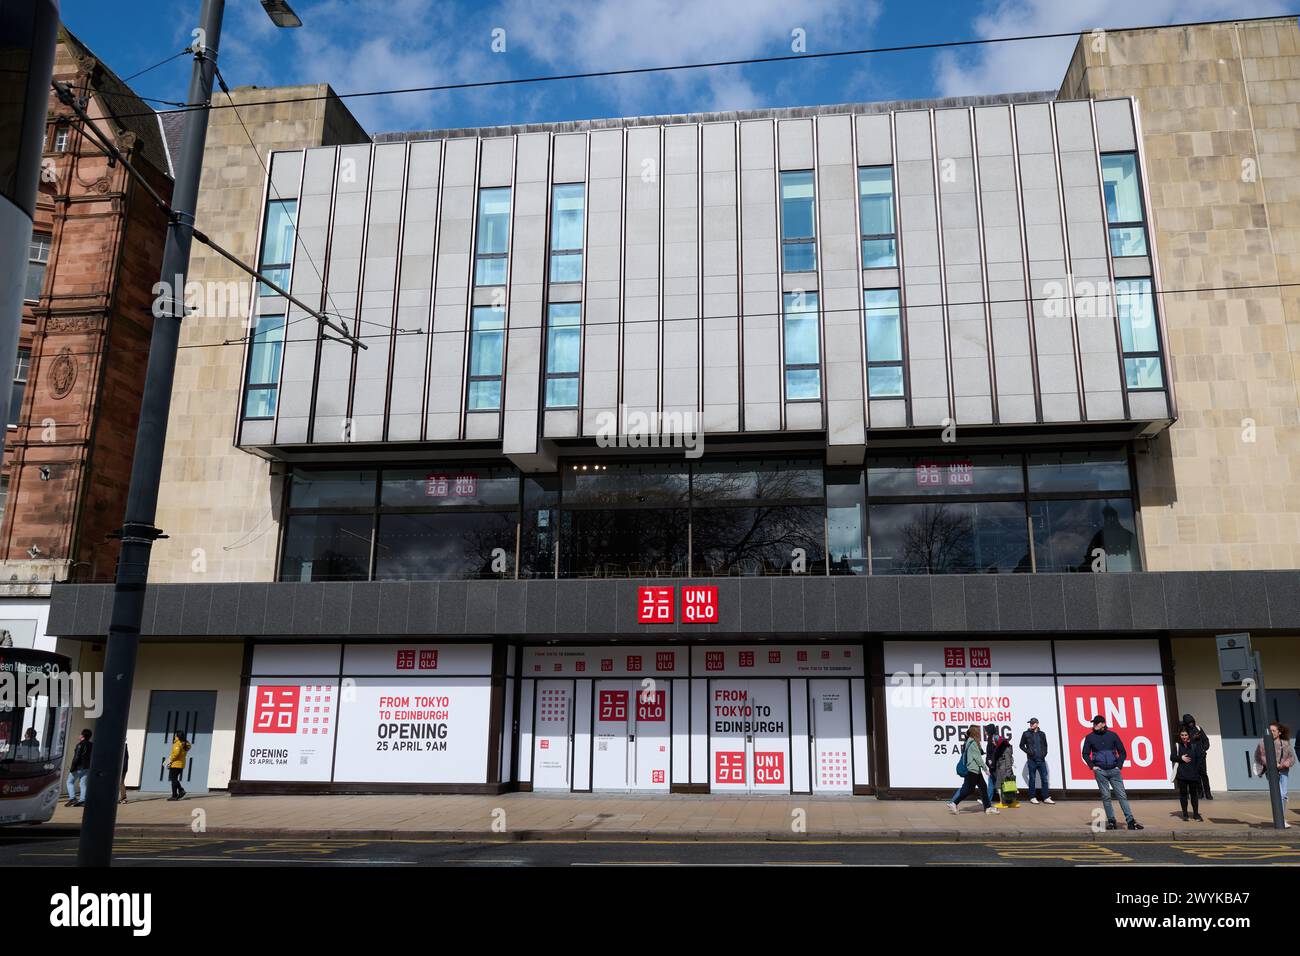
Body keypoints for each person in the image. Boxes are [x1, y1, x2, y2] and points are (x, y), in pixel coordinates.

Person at [1081, 715, 1143, 830]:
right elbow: (1085, 753)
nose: (1094, 725)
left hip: (1114, 770)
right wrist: (1092, 766)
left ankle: (1130, 821)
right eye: (1093, 723)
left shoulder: (1112, 735)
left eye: (1097, 723)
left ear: (1103, 724)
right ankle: (1111, 822)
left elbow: (1122, 752)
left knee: (1122, 796)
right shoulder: (1090, 737)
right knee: (1106, 797)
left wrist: (1118, 766)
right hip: (1100, 772)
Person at [948, 726, 999, 815]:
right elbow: (978, 758)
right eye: (978, 731)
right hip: (973, 770)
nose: (980, 733)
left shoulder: (969, 741)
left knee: (983, 787)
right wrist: (985, 769)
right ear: (975, 733)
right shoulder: (973, 743)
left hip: (975, 770)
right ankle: (954, 802)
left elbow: (974, 754)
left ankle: (988, 807)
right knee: (969, 789)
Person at [1254, 721, 1295, 828]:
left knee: (1284, 795)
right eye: (1270, 730)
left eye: (1274, 730)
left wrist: (1285, 764)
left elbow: (1292, 757)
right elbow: (1261, 756)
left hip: (1283, 771)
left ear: (1279, 732)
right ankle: (1280, 819)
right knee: (1280, 794)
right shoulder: (1263, 743)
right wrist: (1272, 764)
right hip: (1271, 771)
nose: (1271, 732)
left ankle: (1281, 817)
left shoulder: (1285, 743)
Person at [1170, 727, 1205, 821]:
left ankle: (1196, 814)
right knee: (1183, 795)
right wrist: (1181, 758)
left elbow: (1200, 758)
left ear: (1188, 735)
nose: (1184, 737)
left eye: (1185, 735)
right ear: (1180, 736)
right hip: (1182, 775)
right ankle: (1185, 814)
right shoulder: (1177, 745)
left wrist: (1197, 771)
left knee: (1194, 795)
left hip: (1193, 775)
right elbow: (1172, 757)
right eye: (1182, 735)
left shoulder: (1194, 745)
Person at [1019, 717, 1054, 804]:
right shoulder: (1026, 734)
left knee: (1044, 779)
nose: (1031, 724)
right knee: (1032, 779)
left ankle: (1046, 797)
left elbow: (1045, 745)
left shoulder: (1042, 734)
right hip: (1032, 760)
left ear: (1037, 724)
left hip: (1041, 760)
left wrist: (1044, 754)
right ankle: (1032, 797)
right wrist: (1029, 752)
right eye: (1030, 723)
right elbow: (1021, 745)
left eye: (1033, 723)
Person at [1180, 713, 1212, 801]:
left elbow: (1205, 740)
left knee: (1204, 774)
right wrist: (1193, 738)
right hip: (1192, 757)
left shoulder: (1198, 728)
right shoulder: (1185, 730)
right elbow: (1185, 741)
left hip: (1201, 755)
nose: (1191, 723)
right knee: (1196, 775)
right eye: (1189, 722)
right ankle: (1200, 793)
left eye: (1192, 722)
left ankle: (1208, 793)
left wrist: (1204, 748)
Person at [65, 729, 92, 807]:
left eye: (80, 734)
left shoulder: (80, 745)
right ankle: (83, 800)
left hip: (78, 767)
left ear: (82, 736)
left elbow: (76, 757)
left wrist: (72, 768)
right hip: (87, 767)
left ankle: (72, 798)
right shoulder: (92, 745)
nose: (79, 735)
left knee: (69, 782)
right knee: (83, 784)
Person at [990, 729, 1018, 807]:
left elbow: (1008, 761)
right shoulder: (1001, 748)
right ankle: (1006, 802)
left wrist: (1008, 773)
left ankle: (1004, 802)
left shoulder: (1006, 749)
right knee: (1005, 786)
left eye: (993, 741)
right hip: (1001, 770)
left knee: (1006, 786)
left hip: (1005, 770)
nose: (992, 742)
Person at [167, 731, 191, 801]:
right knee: (174, 779)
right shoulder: (186, 744)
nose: (174, 736)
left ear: (177, 736)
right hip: (181, 764)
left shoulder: (177, 744)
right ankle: (181, 790)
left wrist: (169, 760)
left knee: (173, 780)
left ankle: (175, 795)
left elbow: (176, 754)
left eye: (175, 735)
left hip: (175, 764)